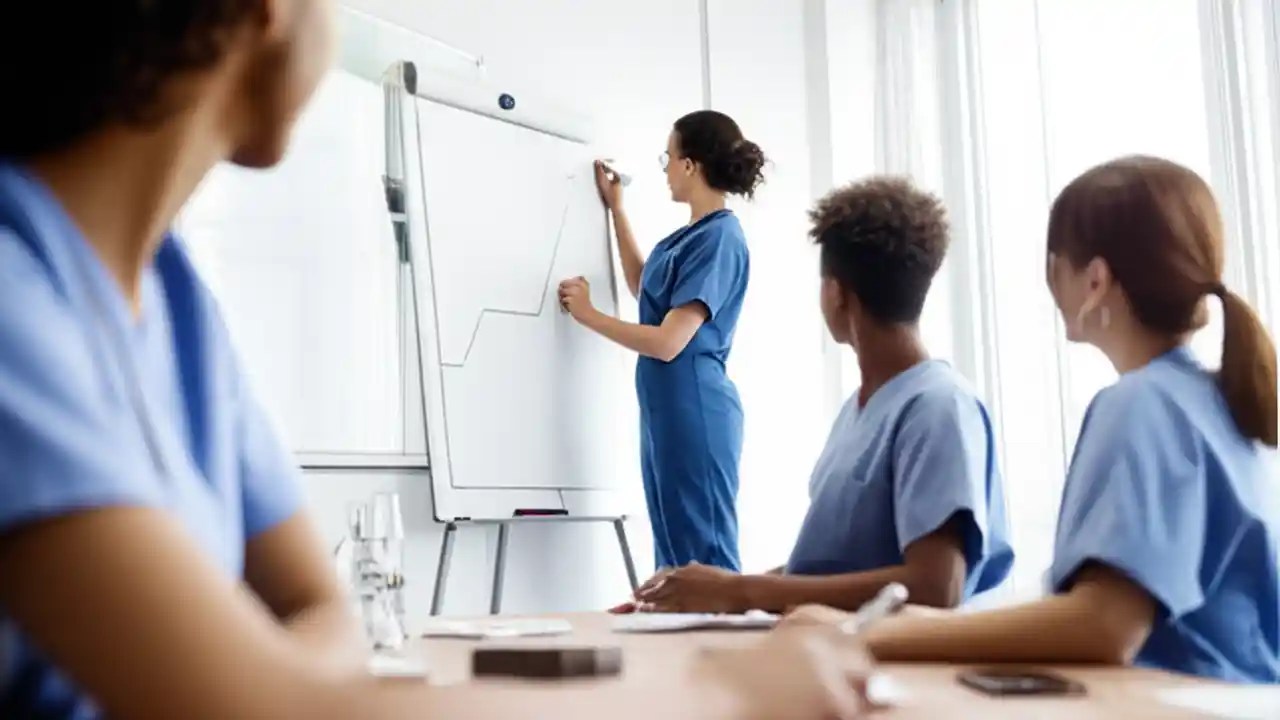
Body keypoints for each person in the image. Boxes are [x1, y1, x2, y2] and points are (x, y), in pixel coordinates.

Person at [0, 2, 872, 718]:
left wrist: (287, 679)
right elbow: (277, 698)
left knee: (700, 552)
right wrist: (718, 698)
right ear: (269, 15)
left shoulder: (174, 299)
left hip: (690, 399)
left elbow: (321, 625)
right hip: (665, 405)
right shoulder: (19, 302)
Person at [786, 156, 1280, 684]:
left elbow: (1105, 624)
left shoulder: (1142, 405)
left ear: (1094, 280)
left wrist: (866, 633)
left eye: (1053, 266)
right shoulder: (1217, 401)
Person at [626, 177, 1014, 614]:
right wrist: (711, 588)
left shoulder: (937, 407)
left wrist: (741, 592)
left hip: (891, 669)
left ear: (835, 294)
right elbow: (825, 571)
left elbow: (936, 587)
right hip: (826, 647)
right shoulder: (862, 409)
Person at [559, 111, 766, 572]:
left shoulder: (722, 238)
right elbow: (642, 286)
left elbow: (669, 342)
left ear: (689, 165)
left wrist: (590, 315)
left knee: (703, 554)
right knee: (673, 550)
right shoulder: (686, 237)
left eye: (668, 158)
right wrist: (617, 210)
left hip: (696, 407)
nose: (666, 169)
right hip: (665, 409)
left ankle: (721, 642)